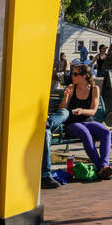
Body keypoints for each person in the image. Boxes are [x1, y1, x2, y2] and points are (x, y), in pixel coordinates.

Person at [59, 63, 112, 179]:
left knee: (106, 132)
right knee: (85, 132)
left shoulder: (94, 89)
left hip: (87, 120)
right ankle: (102, 168)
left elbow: (93, 111)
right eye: (72, 73)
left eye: (75, 74)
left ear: (84, 76)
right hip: (72, 123)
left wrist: (81, 110)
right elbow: (62, 109)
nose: (72, 76)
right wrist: (65, 96)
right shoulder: (71, 87)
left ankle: (104, 165)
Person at [41, 47, 71, 189]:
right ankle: (45, 176)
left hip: (46, 119)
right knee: (46, 133)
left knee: (65, 112)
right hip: (31, 120)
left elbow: (62, 109)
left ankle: (46, 123)